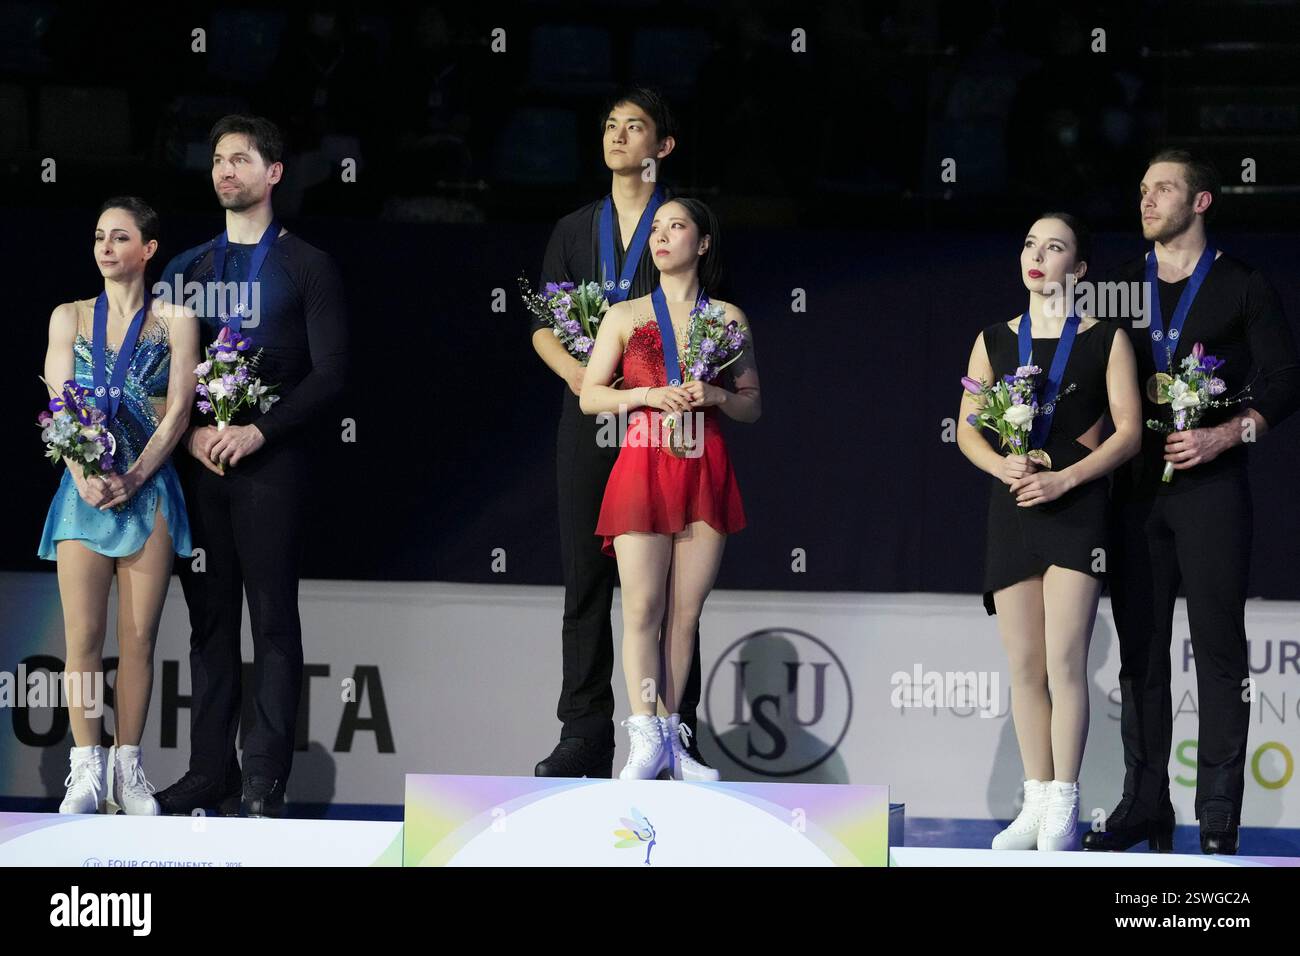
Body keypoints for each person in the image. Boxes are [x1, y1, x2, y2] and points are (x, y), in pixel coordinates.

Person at [1085, 150, 1300, 854]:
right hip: (1135, 490)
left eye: (1164, 189)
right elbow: (1084, 375)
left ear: (1202, 202)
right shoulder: (1119, 285)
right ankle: (1144, 804)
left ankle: (1217, 815)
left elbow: (1283, 380)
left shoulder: (1241, 284)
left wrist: (1225, 435)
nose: (1146, 200)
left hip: (1212, 490)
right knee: (1140, 654)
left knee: (1219, 654)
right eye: (1142, 189)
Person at [152, 115, 349, 817]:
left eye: (240, 159)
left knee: (270, 620)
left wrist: (260, 431)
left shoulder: (306, 265)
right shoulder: (185, 270)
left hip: (272, 468)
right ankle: (210, 771)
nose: (224, 170)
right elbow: (155, 374)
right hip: (200, 466)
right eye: (216, 160)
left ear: (274, 173)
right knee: (208, 622)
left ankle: (264, 775)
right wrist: (193, 433)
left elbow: (331, 375)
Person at [531, 88, 712, 777]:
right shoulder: (576, 230)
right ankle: (584, 732)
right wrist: (585, 382)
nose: (617, 136)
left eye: (634, 126)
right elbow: (544, 325)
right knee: (585, 581)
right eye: (609, 124)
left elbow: (713, 324)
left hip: (666, 430)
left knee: (672, 592)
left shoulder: (682, 224)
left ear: (662, 147)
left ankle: (676, 728)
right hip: (592, 421)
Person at [957, 213, 1141, 850]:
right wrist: (1000, 463)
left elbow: (1129, 432)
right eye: (1030, 243)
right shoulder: (992, 339)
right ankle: (1035, 800)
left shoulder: (1105, 339)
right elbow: (967, 428)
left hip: (1074, 508)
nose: (1037, 255)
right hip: (1012, 506)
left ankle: (1064, 802)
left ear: (1079, 268)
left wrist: (1066, 479)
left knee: (1065, 662)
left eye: (1055, 247)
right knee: (1025, 664)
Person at [580, 197, 759, 780]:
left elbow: (752, 405)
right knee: (641, 607)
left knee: (685, 613)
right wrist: (645, 395)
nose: (662, 236)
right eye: (655, 228)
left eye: (676, 226)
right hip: (643, 461)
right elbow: (591, 396)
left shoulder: (727, 317)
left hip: (702, 462)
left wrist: (717, 396)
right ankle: (643, 735)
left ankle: (671, 737)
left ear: (702, 243)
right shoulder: (625, 315)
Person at [40, 197, 198, 815]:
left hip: (148, 491)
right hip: (82, 498)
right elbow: (59, 398)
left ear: (149, 249)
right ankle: (85, 770)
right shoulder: (69, 316)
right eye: (99, 235)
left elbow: (180, 408)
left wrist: (134, 477)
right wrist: (83, 476)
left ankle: (128, 773)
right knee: (83, 636)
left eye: (120, 236)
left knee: (139, 637)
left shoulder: (176, 321)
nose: (106, 247)